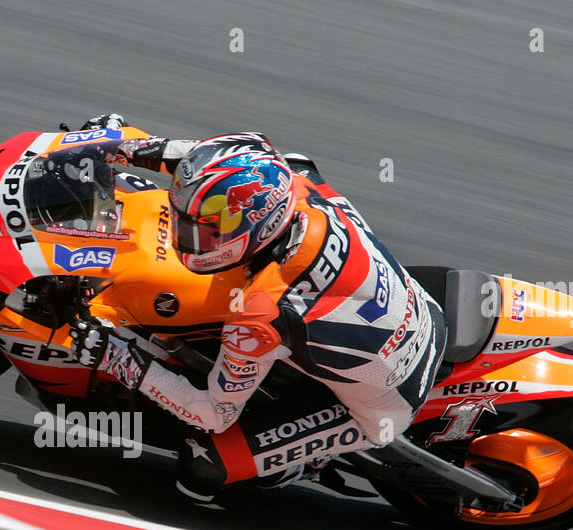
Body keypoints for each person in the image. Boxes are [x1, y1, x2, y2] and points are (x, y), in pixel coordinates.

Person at [67, 113, 446, 500]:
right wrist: (122, 146)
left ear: (256, 229)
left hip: (386, 403)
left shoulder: (262, 312)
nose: (184, 236)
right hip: (413, 309)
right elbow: (206, 158)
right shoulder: (292, 181)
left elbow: (213, 413)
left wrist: (118, 357)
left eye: (206, 230)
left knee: (202, 465)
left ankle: (300, 463)